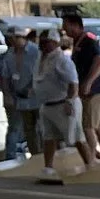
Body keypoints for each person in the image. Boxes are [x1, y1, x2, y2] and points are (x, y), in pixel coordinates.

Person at [61, 9, 100, 162]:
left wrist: (88, 82)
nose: (64, 29)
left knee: (88, 126)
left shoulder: (89, 41)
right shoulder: (77, 42)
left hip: (94, 90)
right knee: (97, 125)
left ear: (75, 25)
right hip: (87, 90)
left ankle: (91, 159)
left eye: (66, 25)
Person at [34, 27, 81, 171]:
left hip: (62, 104)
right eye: (41, 42)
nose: (42, 45)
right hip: (47, 105)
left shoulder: (62, 60)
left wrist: (69, 101)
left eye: (46, 42)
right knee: (48, 137)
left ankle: (89, 162)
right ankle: (48, 166)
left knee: (76, 137)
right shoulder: (40, 58)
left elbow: (73, 83)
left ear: (54, 42)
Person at [0, 25, 34, 161]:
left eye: (10, 39)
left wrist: (33, 88)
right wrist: (7, 95)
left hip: (33, 97)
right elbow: (4, 76)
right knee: (14, 128)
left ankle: (37, 155)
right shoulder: (9, 55)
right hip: (15, 96)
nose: (9, 42)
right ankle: (10, 157)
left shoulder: (35, 52)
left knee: (34, 129)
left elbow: (42, 72)